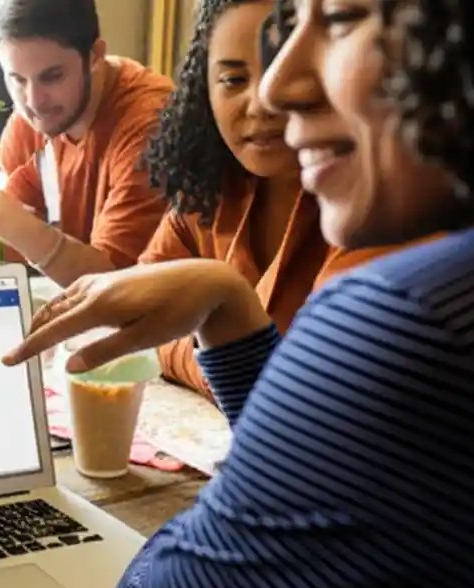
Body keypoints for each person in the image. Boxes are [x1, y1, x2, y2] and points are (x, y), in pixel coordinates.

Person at [4, 0, 474, 588]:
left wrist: (206, 518)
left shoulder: (420, 317)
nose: (278, 88)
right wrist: (231, 308)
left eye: (340, 18)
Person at [137, 0, 406, 400]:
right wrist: (216, 361)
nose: (265, 99)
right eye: (232, 79)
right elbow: (140, 316)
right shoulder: (208, 186)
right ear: (201, 90)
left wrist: (212, 337)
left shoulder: (369, 207)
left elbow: (317, 396)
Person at [0, 0, 173, 286]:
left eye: (52, 77)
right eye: (17, 79)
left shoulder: (150, 127)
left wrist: (20, 229)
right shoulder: (29, 125)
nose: (33, 102)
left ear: (95, 56)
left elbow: (117, 285)